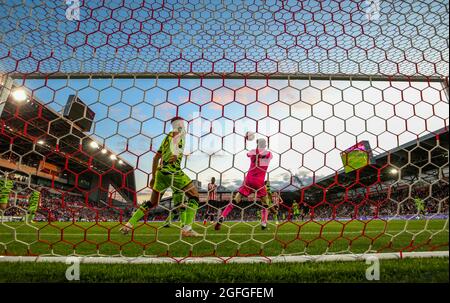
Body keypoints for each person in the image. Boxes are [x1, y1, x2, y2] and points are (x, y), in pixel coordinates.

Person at [121, 117, 201, 237]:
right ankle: (187, 228)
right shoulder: (178, 134)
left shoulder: (166, 138)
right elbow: (176, 143)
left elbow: (155, 158)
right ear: (178, 124)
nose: (184, 126)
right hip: (173, 172)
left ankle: (129, 225)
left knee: (152, 202)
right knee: (194, 196)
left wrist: (153, 177)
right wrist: (175, 153)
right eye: (182, 124)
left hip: (161, 173)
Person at [215, 138, 273, 230]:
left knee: (235, 200)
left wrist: (255, 149)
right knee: (265, 203)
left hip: (248, 180)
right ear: (265, 145)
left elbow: (248, 154)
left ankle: (222, 216)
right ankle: (264, 223)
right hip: (259, 182)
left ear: (257, 144)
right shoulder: (269, 154)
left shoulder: (253, 151)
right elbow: (266, 157)